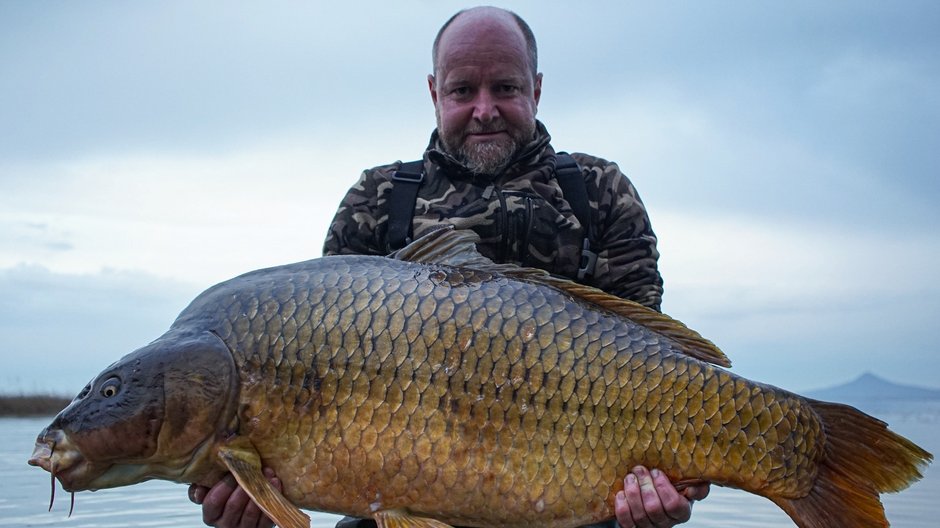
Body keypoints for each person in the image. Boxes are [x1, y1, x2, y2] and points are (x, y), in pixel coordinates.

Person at [189, 6, 709, 528]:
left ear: (538, 89)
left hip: (573, 499)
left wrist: (657, 494)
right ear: (435, 93)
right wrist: (260, 494)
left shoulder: (598, 192)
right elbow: (324, 385)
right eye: (463, 91)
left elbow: (652, 365)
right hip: (398, 503)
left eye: (505, 87)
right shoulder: (378, 198)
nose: (485, 110)